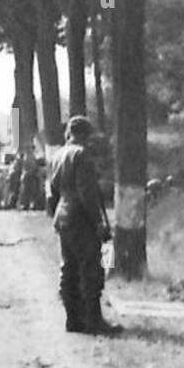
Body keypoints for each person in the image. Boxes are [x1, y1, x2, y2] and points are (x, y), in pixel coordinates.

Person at [48, 116, 122, 335]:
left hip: (63, 216)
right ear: (85, 135)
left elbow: (52, 191)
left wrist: (56, 216)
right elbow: (87, 193)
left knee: (68, 268)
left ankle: (73, 319)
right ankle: (94, 321)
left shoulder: (57, 156)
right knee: (91, 269)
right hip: (80, 218)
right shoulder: (81, 155)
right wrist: (98, 223)